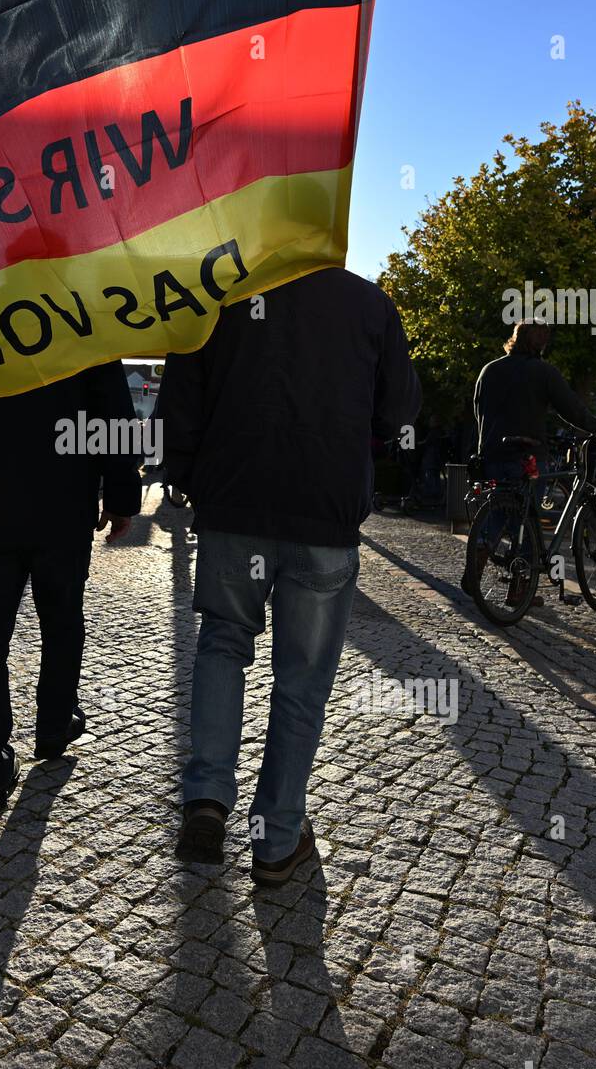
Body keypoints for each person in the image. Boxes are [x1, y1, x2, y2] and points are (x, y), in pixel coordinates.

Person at [155, 268, 421, 886]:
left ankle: (207, 796)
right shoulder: (370, 304)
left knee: (222, 645)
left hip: (234, 506)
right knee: (302, 681)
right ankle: (276, 838)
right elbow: (399, 413)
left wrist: (194, 479)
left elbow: (179, 406)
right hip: (324, 515)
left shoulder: (220, 295)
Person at [0, 363, 142, 814]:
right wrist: (121, 495)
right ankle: (54, 725)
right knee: (62, 623)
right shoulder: (84, 321)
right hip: (62, 504)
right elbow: (113, 413)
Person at [468, 321, 596, 596]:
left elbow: (479, 411)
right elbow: (572, 410)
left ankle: (475, 566)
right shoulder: (543, 371)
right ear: (540, 344)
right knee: (529, 520)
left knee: (498, 514)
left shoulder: (489, 370)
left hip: (492, 452)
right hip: (528, 456)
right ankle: (521, 589)